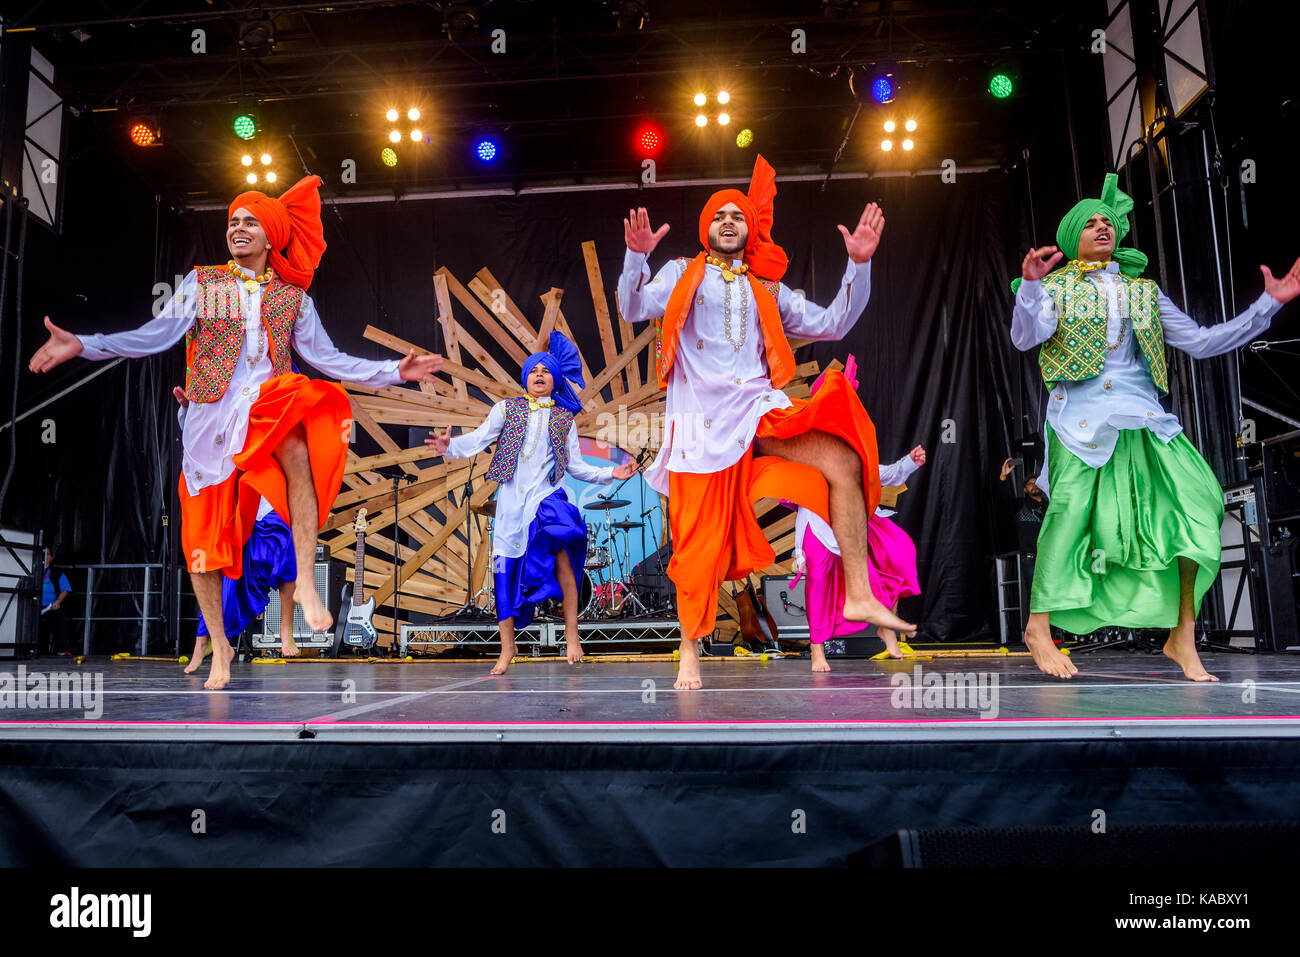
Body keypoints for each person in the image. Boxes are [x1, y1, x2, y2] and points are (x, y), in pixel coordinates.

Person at [27, 175, 443, 689]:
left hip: (265, 402)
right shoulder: (202, 283)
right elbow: (153, 336)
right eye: (232, 222)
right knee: (202, 539)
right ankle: (219, 647)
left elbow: (327, 359)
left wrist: (392, 372)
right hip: (209, 418)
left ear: (271, 237)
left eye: (250, 222)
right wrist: (86, 344)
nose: (238, 229)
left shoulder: (294, 299)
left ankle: (307, 586)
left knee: (301, 431)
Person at [617, 155, 912, 690]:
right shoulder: (682, 273)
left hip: (757, 412)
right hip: (702, 432)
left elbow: (833, 322)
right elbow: (634, 307)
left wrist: (860, 265)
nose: (727, 221)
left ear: (749, 228)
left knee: (843, 459)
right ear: (706, 229)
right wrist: (637, 259)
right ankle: (689, 649)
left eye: (737, 215)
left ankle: (859, 590)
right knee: (697, 548)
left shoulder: (767, 290)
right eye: (717, 215)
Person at [1011, 173, 1300, 680]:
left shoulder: (1144, 292)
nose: (1103, 227)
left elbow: (1204, 341)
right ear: (1072, 237)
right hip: (1078, 417)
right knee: (1071, 512)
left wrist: (1268, 304)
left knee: (1199, 502)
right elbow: (1025, 337)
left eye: (1108, 222)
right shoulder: (1055, 287)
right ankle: (1039, 625)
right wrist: (1032, 287)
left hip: (1142, 415)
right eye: (1091, 223)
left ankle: (1181, 636)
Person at [426, 333, 638, 675]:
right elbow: (478, 439)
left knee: (564, 557)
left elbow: (576, 466)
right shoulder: (505, 410)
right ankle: (507, 647)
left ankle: (571, 634)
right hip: (511, 505)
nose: (539, 374)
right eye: (533, 370)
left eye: (546, 371)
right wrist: (449, 445)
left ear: (554, 381)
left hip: (546, 497)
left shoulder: (563, 419)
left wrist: (612, 472)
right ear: (525, 378)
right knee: (505, 575)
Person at [789, 357, 925, 671]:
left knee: (897, 551)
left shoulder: (853, 447)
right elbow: (803, 503)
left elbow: (884, 474)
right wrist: (799, 550)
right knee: (818, 585)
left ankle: (886, 629)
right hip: (818, 527)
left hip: (852, 525)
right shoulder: (809, 449)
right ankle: (817, 650)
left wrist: (910, 462)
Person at [173, 386, 298, 669]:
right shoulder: (219, 403)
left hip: (266, 499)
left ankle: (285, 630)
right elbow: (197, 438)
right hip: (231, 506)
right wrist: (188, 409)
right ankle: (204, 644)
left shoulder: (264, 395)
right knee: (216, 575)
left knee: (284, 561)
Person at [39, 544, 73, 656]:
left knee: (59, 615)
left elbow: (65, 590)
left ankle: (62, 649)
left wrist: (58, 601)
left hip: (52, 605)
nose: (45, 557)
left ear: (51, 557)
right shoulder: (32, 571)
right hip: (35, 604)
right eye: (42, 554)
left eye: (47, 554)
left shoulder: (57, 573)